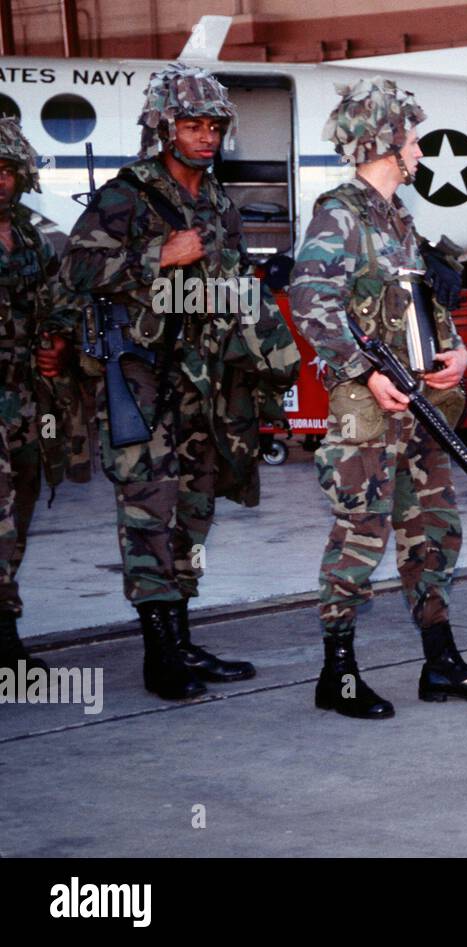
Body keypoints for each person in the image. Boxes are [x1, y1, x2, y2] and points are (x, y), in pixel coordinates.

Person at [51, 64, 300, 699]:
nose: (207, 136)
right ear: (164, 128)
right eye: (193, 125)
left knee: (194, 507)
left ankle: (184, 641)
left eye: (214, 125)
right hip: (141, 377)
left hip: (203, 378)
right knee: (147, 510)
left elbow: (229, 283)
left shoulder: (218, 200)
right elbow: (77, 271)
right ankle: (159, 655)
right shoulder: (127, 193)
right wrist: (158, 256)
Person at [291, 76, 467, 721]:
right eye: (412, 137)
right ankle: (337, 674)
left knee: (432, 530)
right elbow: (310, 302)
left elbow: (420, 304)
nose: (419, 148)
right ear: (388, 141)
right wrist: (364, 372)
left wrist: (457, 352)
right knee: (360, 534)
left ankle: (440, 661)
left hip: (417, 407)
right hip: (370, 410)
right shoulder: (340, 213)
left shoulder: (398, 220)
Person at [0, 117, 59, 673]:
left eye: (6, 170)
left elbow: (52, 304)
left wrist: (54, 345)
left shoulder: (30, 235)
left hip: (23, 402)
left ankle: (5, 634)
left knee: (17, 517)